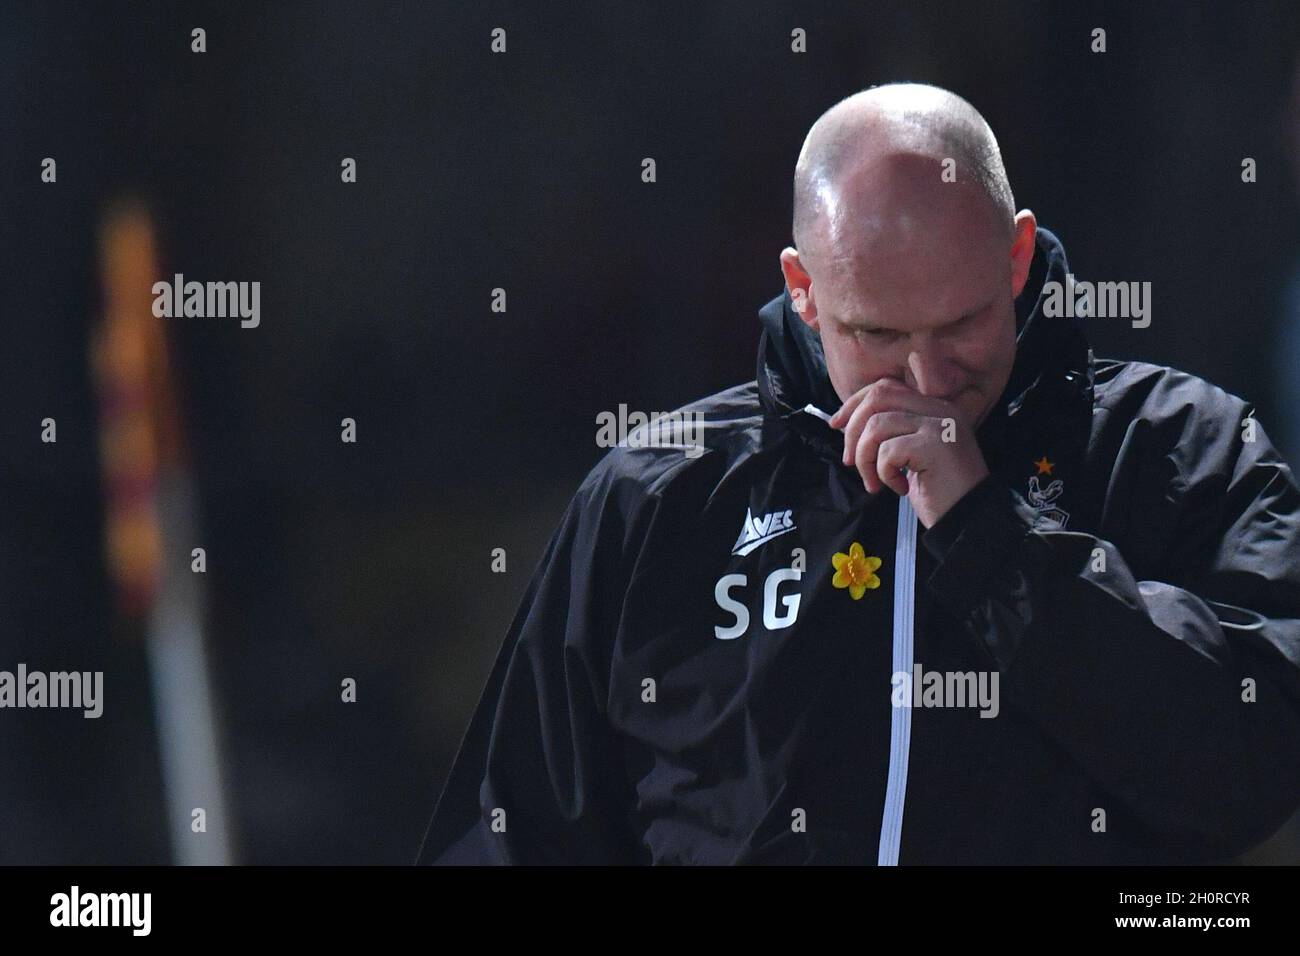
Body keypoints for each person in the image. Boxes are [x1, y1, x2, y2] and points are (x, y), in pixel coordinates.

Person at [416, 83, 1300, 865]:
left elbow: (1260, 760)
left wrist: (994, 542)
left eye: (960, 325)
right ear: (802, 289)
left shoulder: (1181, 446)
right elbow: (512, 834)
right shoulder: (659, 495)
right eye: (876, 335)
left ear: (1018, 258)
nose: (925, 381)